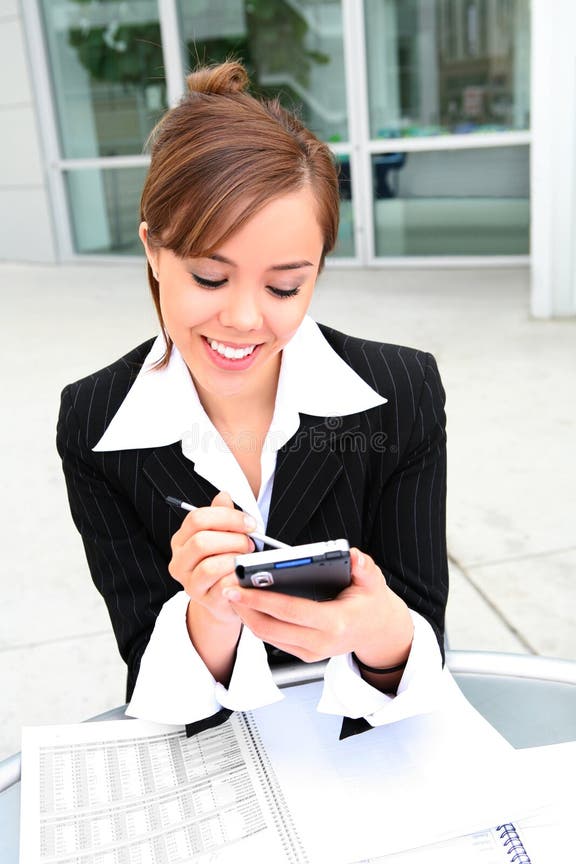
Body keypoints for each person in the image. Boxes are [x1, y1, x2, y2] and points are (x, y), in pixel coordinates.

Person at [57, 61, 448, 739]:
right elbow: (149, 676)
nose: (242, 319)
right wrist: (207, 614)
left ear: (317, 271)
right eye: (210, 277)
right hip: (217, 767)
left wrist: (378, 626)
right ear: (154, 251)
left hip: (369, 755)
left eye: (284, 287)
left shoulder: (399, 394)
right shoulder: (96, 422)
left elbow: (422, 644)